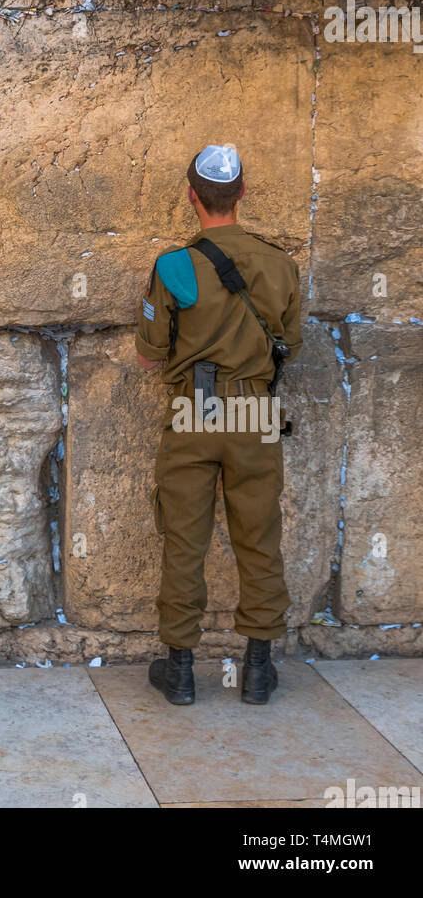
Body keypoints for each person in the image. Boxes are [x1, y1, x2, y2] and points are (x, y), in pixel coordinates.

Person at [135, 145, 302, 706]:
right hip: (255, 411)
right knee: (259, 539)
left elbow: (150, 353)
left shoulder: (175, 266)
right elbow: (292, 345)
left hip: (194, 410)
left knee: (185, 539)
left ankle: (180, 671)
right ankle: (258, 669)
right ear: (242, 193)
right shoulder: (280, 264)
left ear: (191, 196)